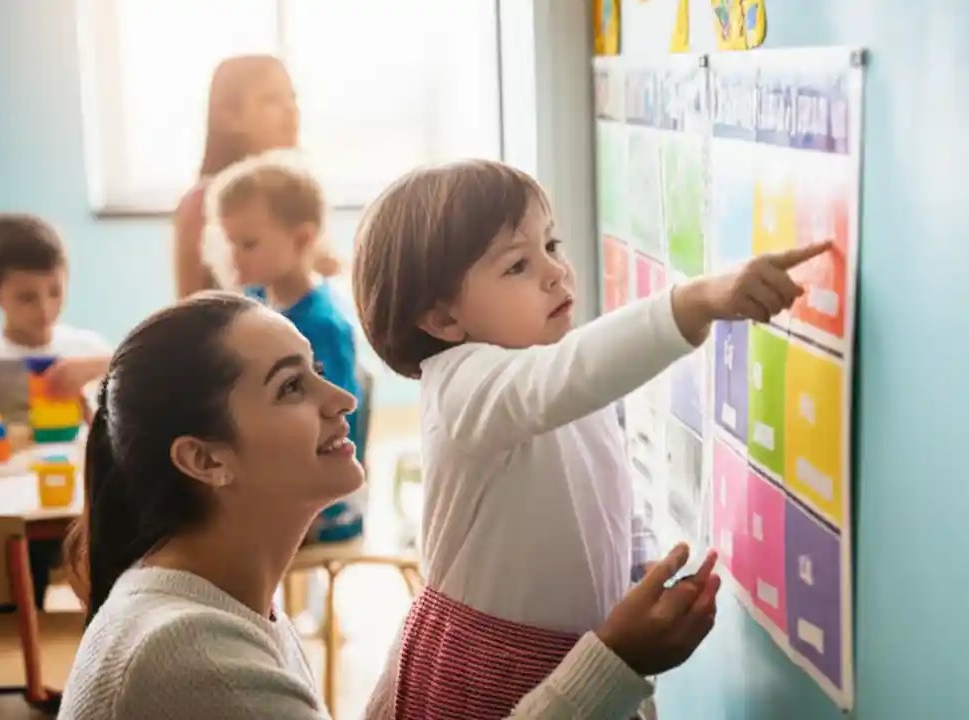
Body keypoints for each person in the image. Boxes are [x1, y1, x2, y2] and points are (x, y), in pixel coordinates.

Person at [56, 291, 720, 720]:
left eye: (315, 367)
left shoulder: (218, 606)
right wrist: (614, 661)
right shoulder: (188, 652)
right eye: (291, 387)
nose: (339, 399)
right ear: (204, 459)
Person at [353, 159, 832, 718]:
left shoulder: (553, 372)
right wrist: (695, 302)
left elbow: (604, 495)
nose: (556, 272)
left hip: (574, 659)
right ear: (441, 320)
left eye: (552, 245)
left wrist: (638, 578)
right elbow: (568, 377)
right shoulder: (460, 385)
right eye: (517, 266)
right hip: (480, 673)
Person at [0, 213, 111, 609]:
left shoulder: (87, 350)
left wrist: (102, 365)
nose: (45, 307)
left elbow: (128, 413)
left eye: (55, 290)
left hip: (67, 503)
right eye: (26, 296)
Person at [211, 152, 362, 544]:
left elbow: (337, 420)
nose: (234, 256)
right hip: (273, 476)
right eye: (231, 242)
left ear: (301, 240)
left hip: (322, 501)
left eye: (248, 243)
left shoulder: (324, 325)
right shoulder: (255, 303)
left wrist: (307, 505)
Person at [173, 55, 339, 300]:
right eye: (271, 99)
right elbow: (188, 310)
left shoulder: (298, 190)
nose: (290, 109)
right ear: (229, 116)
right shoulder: (200, 202)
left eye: (292, 97)